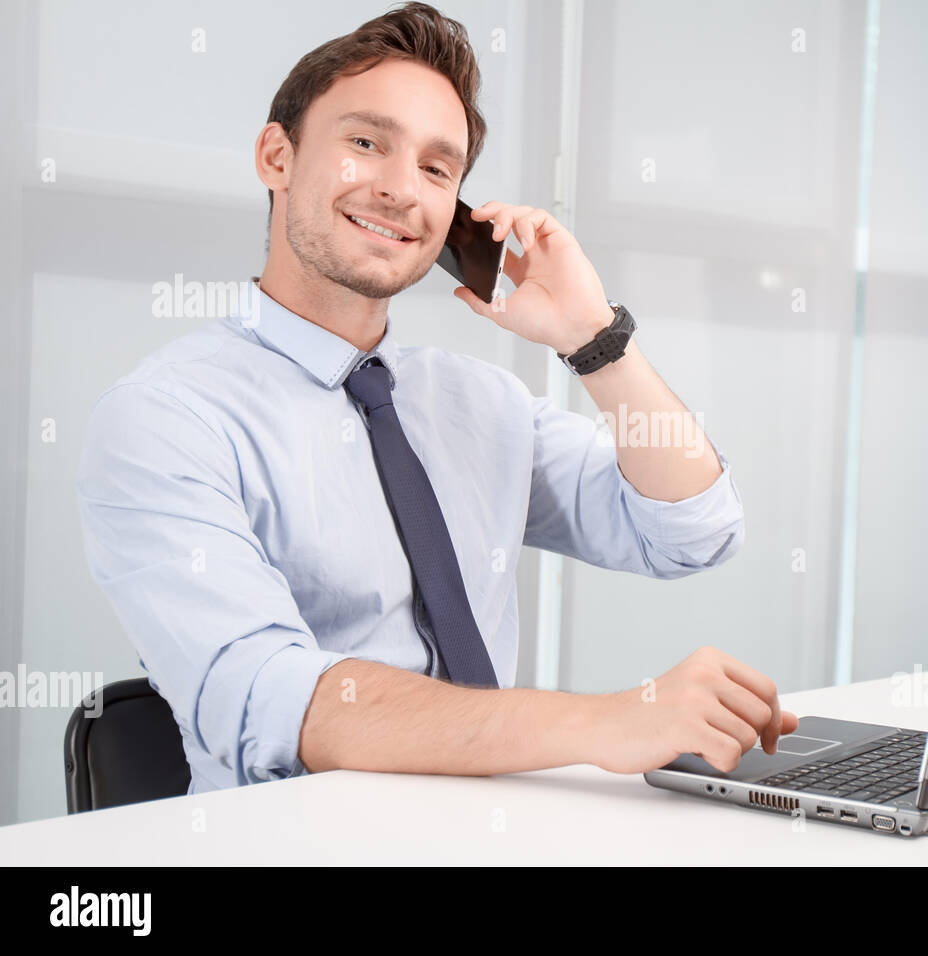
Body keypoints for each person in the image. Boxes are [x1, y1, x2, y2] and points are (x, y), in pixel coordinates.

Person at [76, 2, 797, 795]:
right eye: (365, 143)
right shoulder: (164, 418)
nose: (398, 189)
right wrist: (605, 721)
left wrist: (593, 338)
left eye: (436, 168)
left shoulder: (479, 403)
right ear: (276, 156)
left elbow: (693, 529)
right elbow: (267, 700)